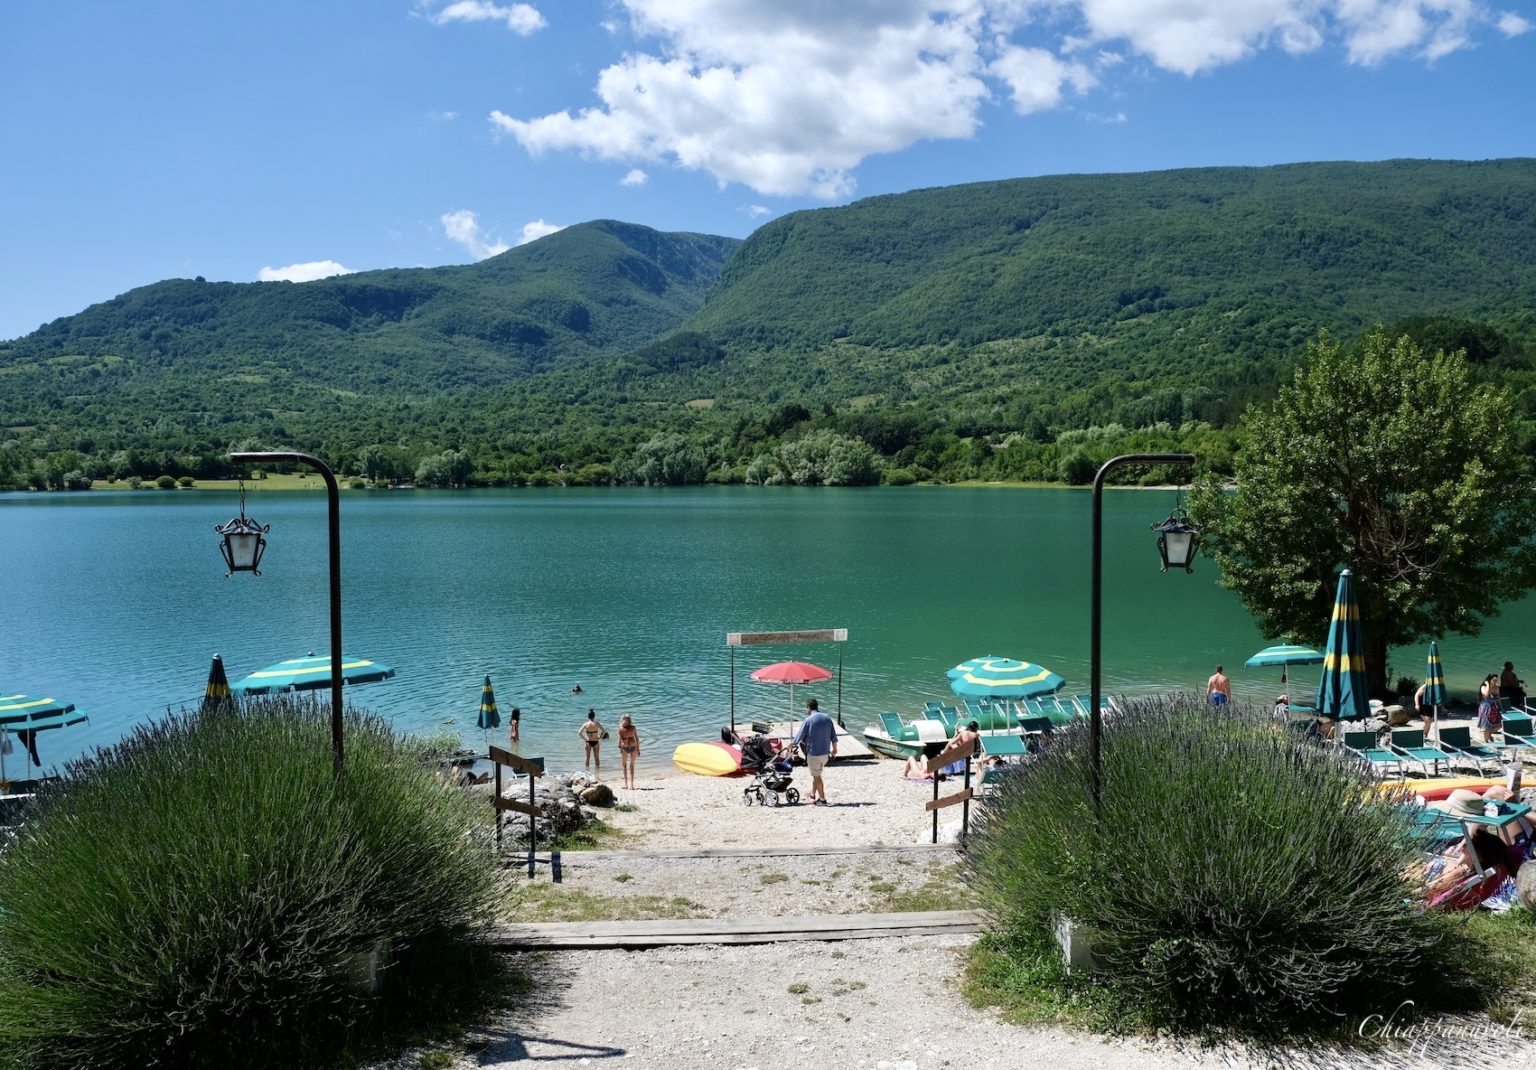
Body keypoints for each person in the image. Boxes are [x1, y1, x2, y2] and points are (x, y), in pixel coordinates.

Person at [790, 697, 838, 805]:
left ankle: (822, 800)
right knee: (816, 773)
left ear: (808, 707)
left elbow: (799, 735)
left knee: (817, 776)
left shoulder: (809, 720)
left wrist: (791, 745)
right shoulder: (827, 718)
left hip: (814, 754)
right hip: (825, 754)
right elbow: (833, 736)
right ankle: (812, 795)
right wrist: (835, 749)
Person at [577, 708, 607, 773]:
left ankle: (587, 773)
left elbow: (579, 733)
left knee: (587, 758)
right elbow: (604, 731)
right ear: (594, 716)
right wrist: (600, 737)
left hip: (588, 742)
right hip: (596, 741)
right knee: (597, 758)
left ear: (588, 717)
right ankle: (597, 773)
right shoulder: (597, 724)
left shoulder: (585, 724)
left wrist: (585, 738)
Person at [617, 713, 640, 790]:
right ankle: (632, 785)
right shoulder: (633, 727)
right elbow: (637, 739)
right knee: (632, 765)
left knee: (624, 765)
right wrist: (638, 749)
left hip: (625, 746)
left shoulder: (620, 728)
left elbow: (619, 741)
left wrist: (620, 748)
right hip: (634, 746)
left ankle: (626, 784)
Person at [1478, 673, 1502, 744]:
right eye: (1494, 680)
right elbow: (1485, 695)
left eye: (1496, 680)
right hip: (1485, 708)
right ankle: (1486, 741)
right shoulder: (1483, 687)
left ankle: (1489, 734)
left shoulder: (1496, 687)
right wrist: (1488, 685)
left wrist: (1501, 707)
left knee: (1500, 724)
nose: (1495, 682)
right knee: (1487, 726)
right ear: (1489, 680)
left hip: (1494, 708)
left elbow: (1498, 698)